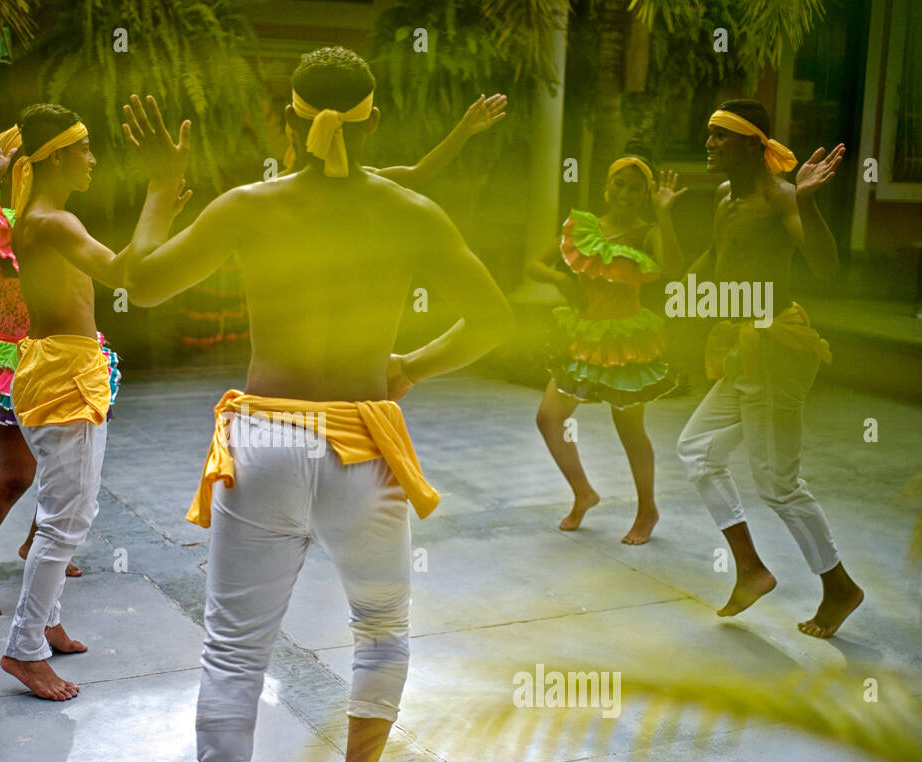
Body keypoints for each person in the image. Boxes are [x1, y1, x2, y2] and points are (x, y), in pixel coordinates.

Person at [117, 47, 514, 762]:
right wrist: (411, 367)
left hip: (265, 440)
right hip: (364, 445)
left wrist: (162, 185)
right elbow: (493, 318)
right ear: (373, 121)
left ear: (289, 120)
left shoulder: (249, 205)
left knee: (232, 649)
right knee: (383, 635)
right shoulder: (410, 210)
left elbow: (142, 282)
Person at [0, 103, 189, 701]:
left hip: (58, 369)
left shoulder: (49, 217)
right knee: (65, 522)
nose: (93, 158)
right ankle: (24, 649)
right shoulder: (53, 221)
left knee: (68, 516)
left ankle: (45, 623)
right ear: (57, 156)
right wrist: (157, 191)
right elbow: (126, 274)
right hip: (63, 377)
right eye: (84, 148)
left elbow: (126, 267)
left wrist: (161, 211)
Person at [675, 99, 862, 637]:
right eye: (708, 134)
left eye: (720, 136)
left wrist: (808, 203)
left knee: (778, 484)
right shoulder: (722, 196)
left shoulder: (782, 198)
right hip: (742, 348)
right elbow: (718, 257)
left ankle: (840, 588)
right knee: (697, 449)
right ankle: (752, 570)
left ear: (754, 145)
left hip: (778, 348)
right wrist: (676, 291)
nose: (708, 144)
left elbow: (826, 269)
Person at [0, 125, 120, 618]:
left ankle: (38, 546)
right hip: (16, 360)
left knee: (65, 471)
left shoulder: (50, 218)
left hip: (67, 357)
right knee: (16, 476)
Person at [525, 143, 685, 543]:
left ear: (645, 195)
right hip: (583, 334)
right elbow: (533, 264)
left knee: (629, 430)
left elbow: (674, 270)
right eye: (620, 185)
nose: (625, 193)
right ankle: (584, 492)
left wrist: (665, 216)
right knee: (549, 417)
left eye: (635, 188)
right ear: (607, 187)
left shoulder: (648, 234)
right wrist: (561, 279)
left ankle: (647, 510)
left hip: (626, 339)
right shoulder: (584, 227)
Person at [284, 92, 508, 188]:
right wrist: (463, 130)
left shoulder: (261, 193)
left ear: (291, 121)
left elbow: (417, 173)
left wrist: (464, 130)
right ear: (372, 121)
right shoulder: (369, 182)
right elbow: (418, 173)